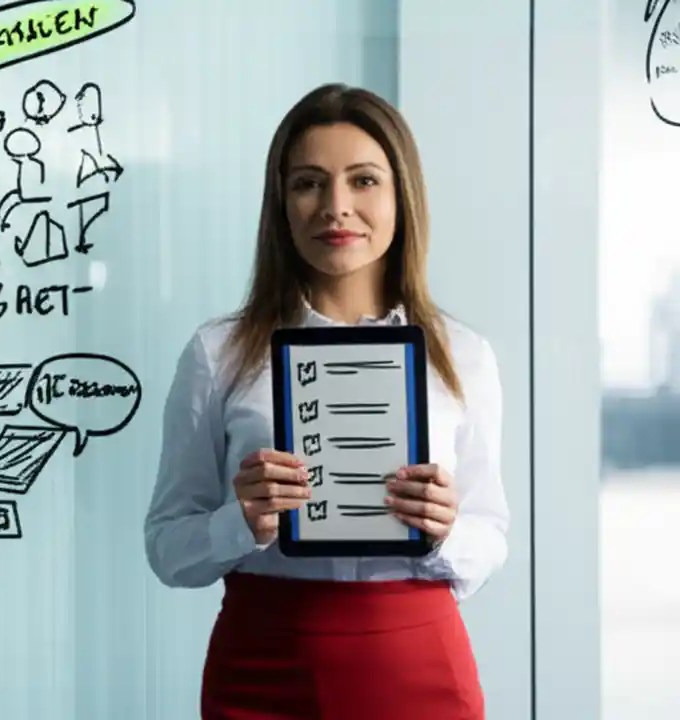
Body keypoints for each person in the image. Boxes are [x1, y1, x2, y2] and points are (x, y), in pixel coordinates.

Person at [143, 82, 509, 720]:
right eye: (308, 183)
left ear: (403, 197)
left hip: (418, 664)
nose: (336, 207)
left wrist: (444, 529)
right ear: (281, 203)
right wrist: (242, 521)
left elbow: (492, 537)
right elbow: (168, 548)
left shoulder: (463, 355)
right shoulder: (217, 353)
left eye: (364, 181)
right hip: (261, 665)